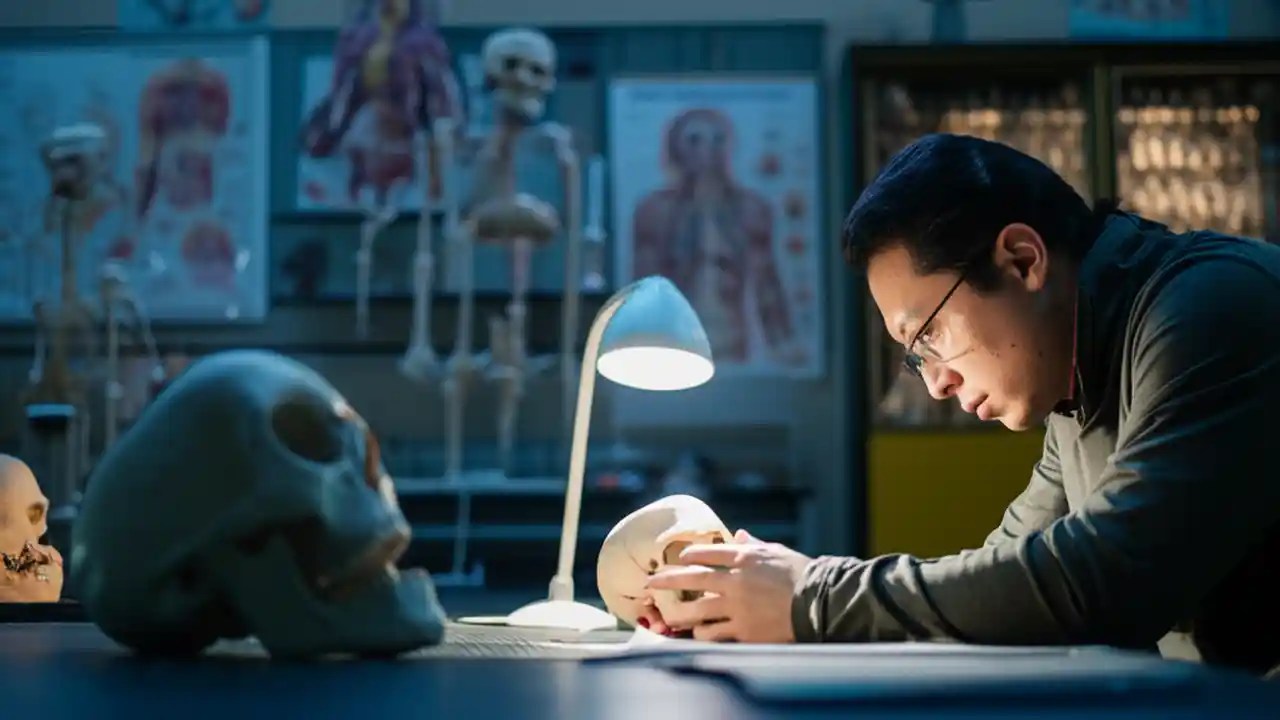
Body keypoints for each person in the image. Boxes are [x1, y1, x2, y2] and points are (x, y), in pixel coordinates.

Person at [644, 132, 1280, 677]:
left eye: (929, 336)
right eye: (916, 356)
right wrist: (735, 602)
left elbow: (1106, 580)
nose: (935, 384)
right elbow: (1011, 584)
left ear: (1021, 260)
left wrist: (812, 597)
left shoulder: (1212, 306)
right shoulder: (1076, 378)